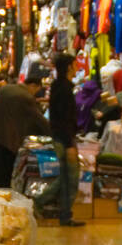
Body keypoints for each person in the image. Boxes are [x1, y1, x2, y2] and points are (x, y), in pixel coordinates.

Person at [33, 53, 85, 227]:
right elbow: (63, 118)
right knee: (70, 178)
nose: (77, 66)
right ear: (69, 67)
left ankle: (60, 213)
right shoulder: (63, 88)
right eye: (74, 63)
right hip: (64, 139)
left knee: (64, 178)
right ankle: (44, 205)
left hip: (61, 137)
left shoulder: (59, 86)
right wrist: (69, 143)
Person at [0, 64, 50, 188]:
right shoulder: (26, 97)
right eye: (37, 90)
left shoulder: (6, 89)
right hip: (7, 139)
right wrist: (53, 133)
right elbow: (39, 120)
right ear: (33, 86)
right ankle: (1, 201)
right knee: (3, 176)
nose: (35, 94)